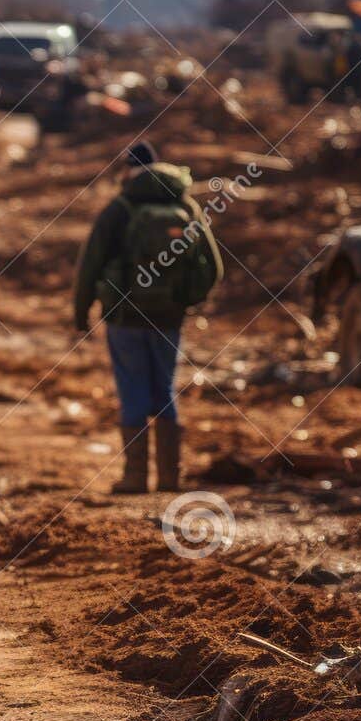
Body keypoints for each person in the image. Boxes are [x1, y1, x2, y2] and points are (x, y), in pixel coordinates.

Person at [72, 142, 223, 495]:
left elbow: (90, 265)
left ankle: (135, 478)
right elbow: (214, 268)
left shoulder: (120, 209)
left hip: (124, 317)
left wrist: (82, 314)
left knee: (133, 392)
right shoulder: (186, 205)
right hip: (169, 317)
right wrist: (185, 299)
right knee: (164, 390)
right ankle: (170, 477)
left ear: (127, 170)